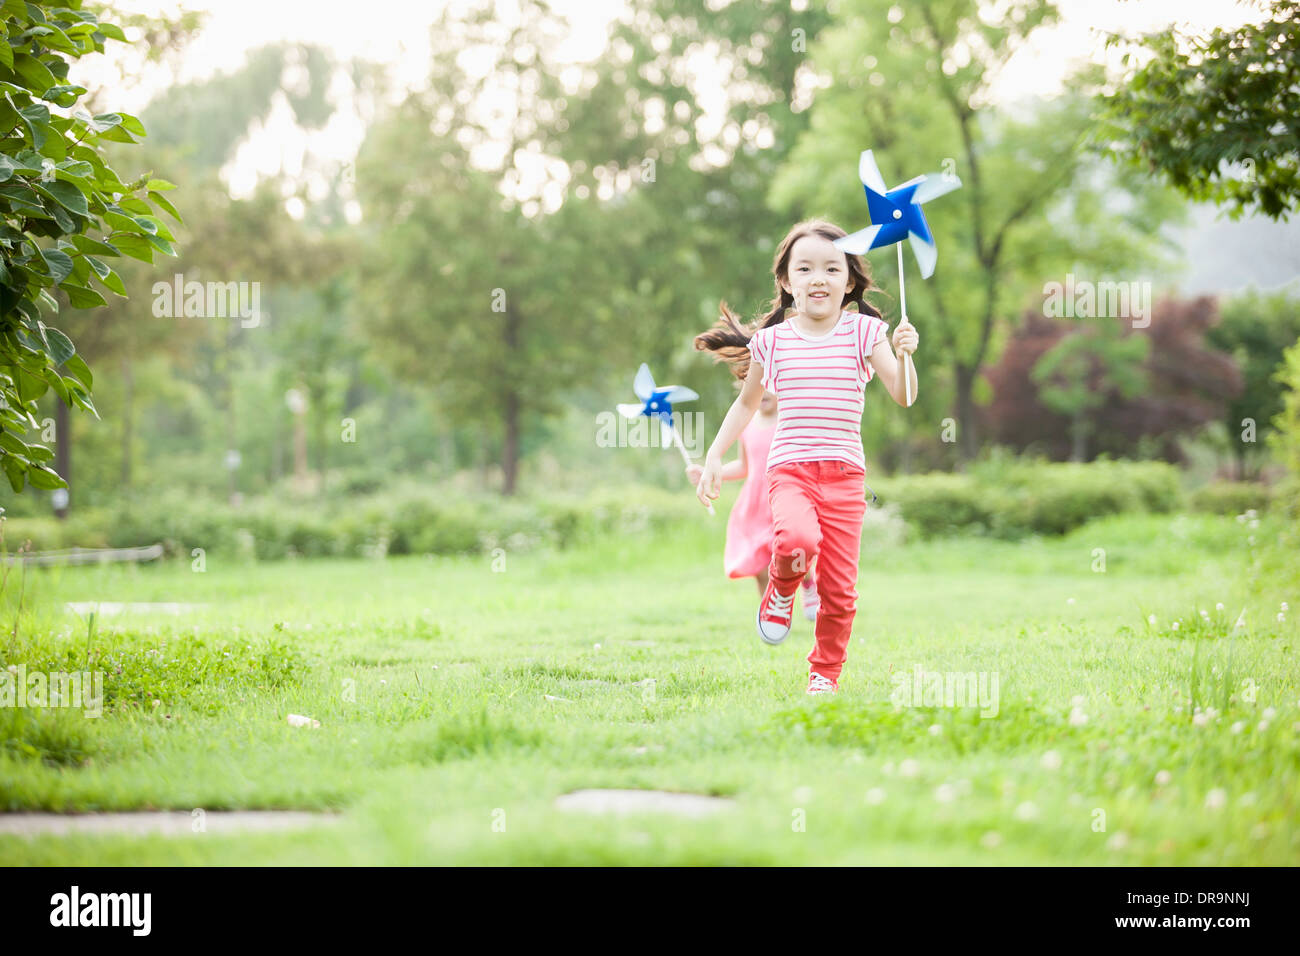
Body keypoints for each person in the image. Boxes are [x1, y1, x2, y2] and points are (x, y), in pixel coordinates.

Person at [693, 219, 919, 695]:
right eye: (806, 268)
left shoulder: (865, 332)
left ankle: (825, 675)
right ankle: (780, 587)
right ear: (786, 281)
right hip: (791, 470)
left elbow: (902, 395)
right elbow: (746, 404)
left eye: (832, 268)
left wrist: (905, 355)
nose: (819, 278)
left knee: (839, 591)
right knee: (796, 541)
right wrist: (715, 453)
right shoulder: (771, 342)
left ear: (850, 280)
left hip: (845, 477)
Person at [685, 387, 819, 620]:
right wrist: (710, 471)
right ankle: (770, 611)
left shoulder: (789, 421)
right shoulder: (747, 424)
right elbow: (744, 466)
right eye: (760, 387)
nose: (765, 392)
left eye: (771, 387)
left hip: (785, 498)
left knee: (795, 551)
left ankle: (808, 582)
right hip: (756, 503)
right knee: (759, 565)